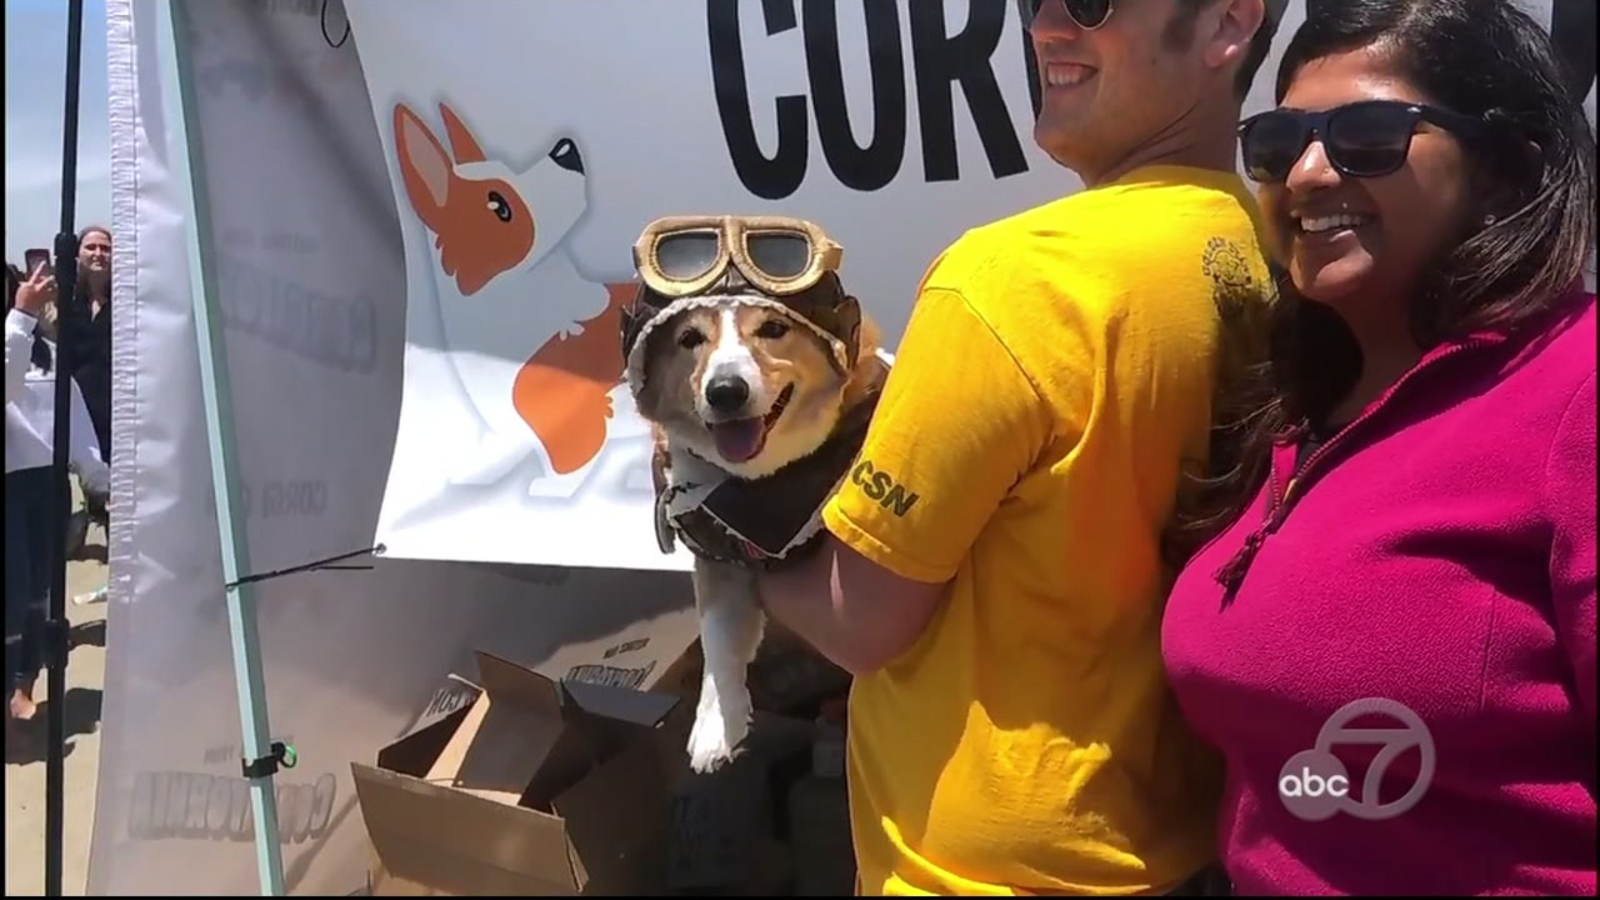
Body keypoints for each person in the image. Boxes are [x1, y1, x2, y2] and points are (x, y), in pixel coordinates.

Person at [751, 0, 1285, 893]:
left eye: (1090, 3)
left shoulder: (1016, 280)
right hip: (1197, 844)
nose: (1043, 28)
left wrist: (719, 528)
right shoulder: (1278, 245)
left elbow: (860, 623)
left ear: (1229, 23)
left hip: (980, 873)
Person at [1160, 0, 1597, 894]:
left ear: (1505, 168)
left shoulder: (1577, 395)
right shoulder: (1296, 410)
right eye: (1280, 144)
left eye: (1370, 134)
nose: (1309, 173)